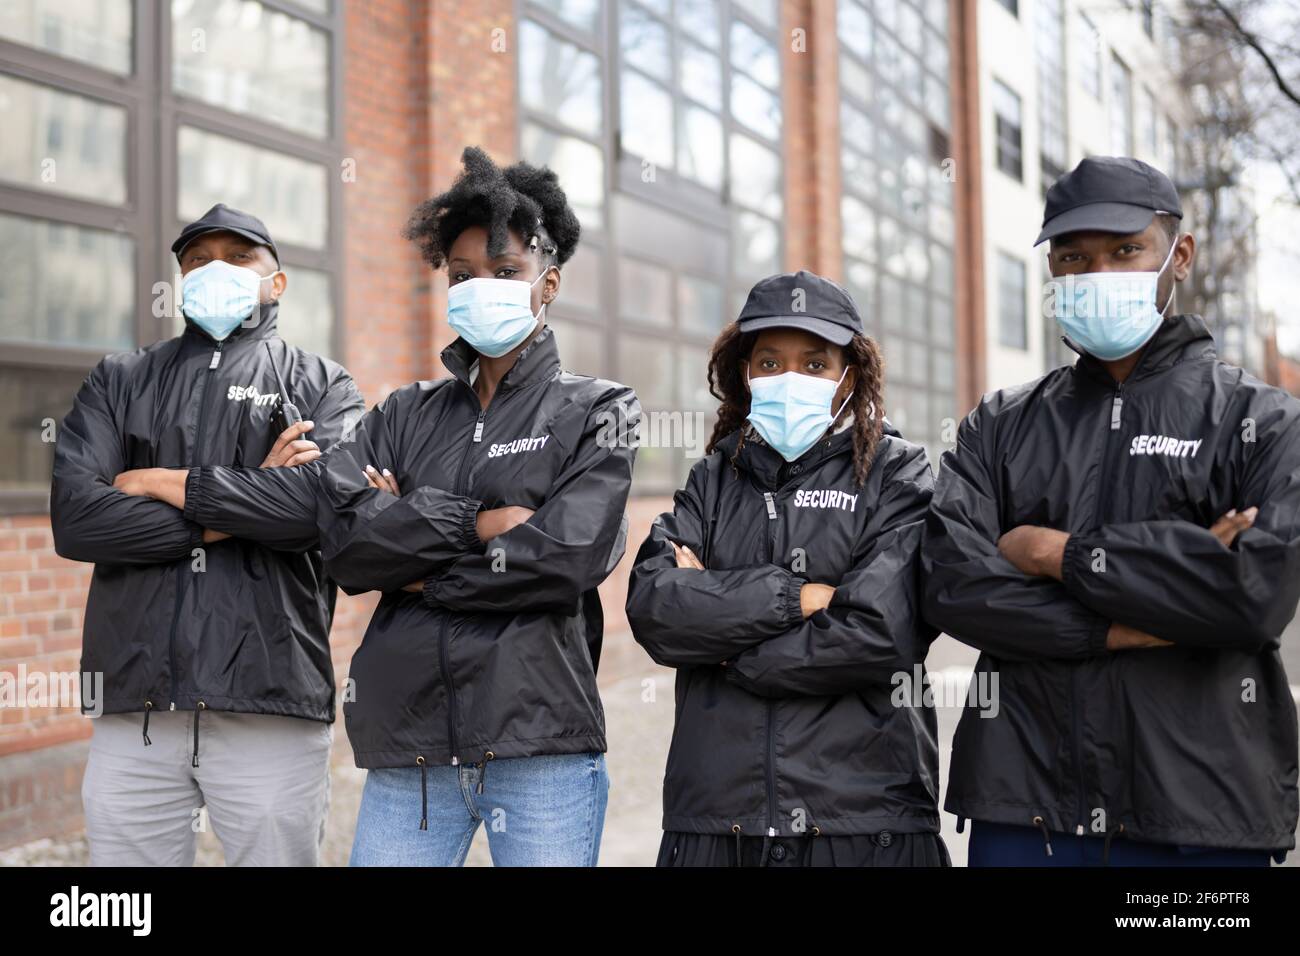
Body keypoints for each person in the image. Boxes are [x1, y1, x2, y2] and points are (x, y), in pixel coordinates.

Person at [132, 147, 640, 866]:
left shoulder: (600, 408)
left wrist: (418, 570)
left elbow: (566, 556)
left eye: (505, 273)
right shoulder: (404, 412)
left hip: (542, 743)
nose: (481, 288)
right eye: (463, 276)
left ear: (548, 282)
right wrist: (474, 522)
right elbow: (343, 547)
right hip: (412, 751)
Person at [923, 156, 1300, 866]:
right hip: (1023, 813)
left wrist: (1050, 555)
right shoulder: (1000, 425)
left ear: (1178, 255)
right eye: (1074, 258)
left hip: (1200, 817)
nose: (1097, 275)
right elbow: (951, 586)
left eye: (1125, 251)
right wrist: (1135, 615)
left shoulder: (1264, 421)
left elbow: (1253, 595)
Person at [52, 203, 365, 866]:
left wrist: (156, 481)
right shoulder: (120, 379)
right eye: (198, 261)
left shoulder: (322, 386)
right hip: (135, 706)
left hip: (269, 699)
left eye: (237, 257)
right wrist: (248, 502)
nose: (214, 270)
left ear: (277, 282)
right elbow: (78, 520)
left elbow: (317, 511)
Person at [626, 270, 947, 867]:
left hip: (864, 821)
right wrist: (797, 599)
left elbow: (883, 630)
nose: (789, 379)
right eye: (770, 362)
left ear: (849, 376)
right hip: (717, 823)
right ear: (745, 375)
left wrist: (724, 648)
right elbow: (656, 607)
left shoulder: (897, 475)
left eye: (815, 363)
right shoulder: (713, 478)